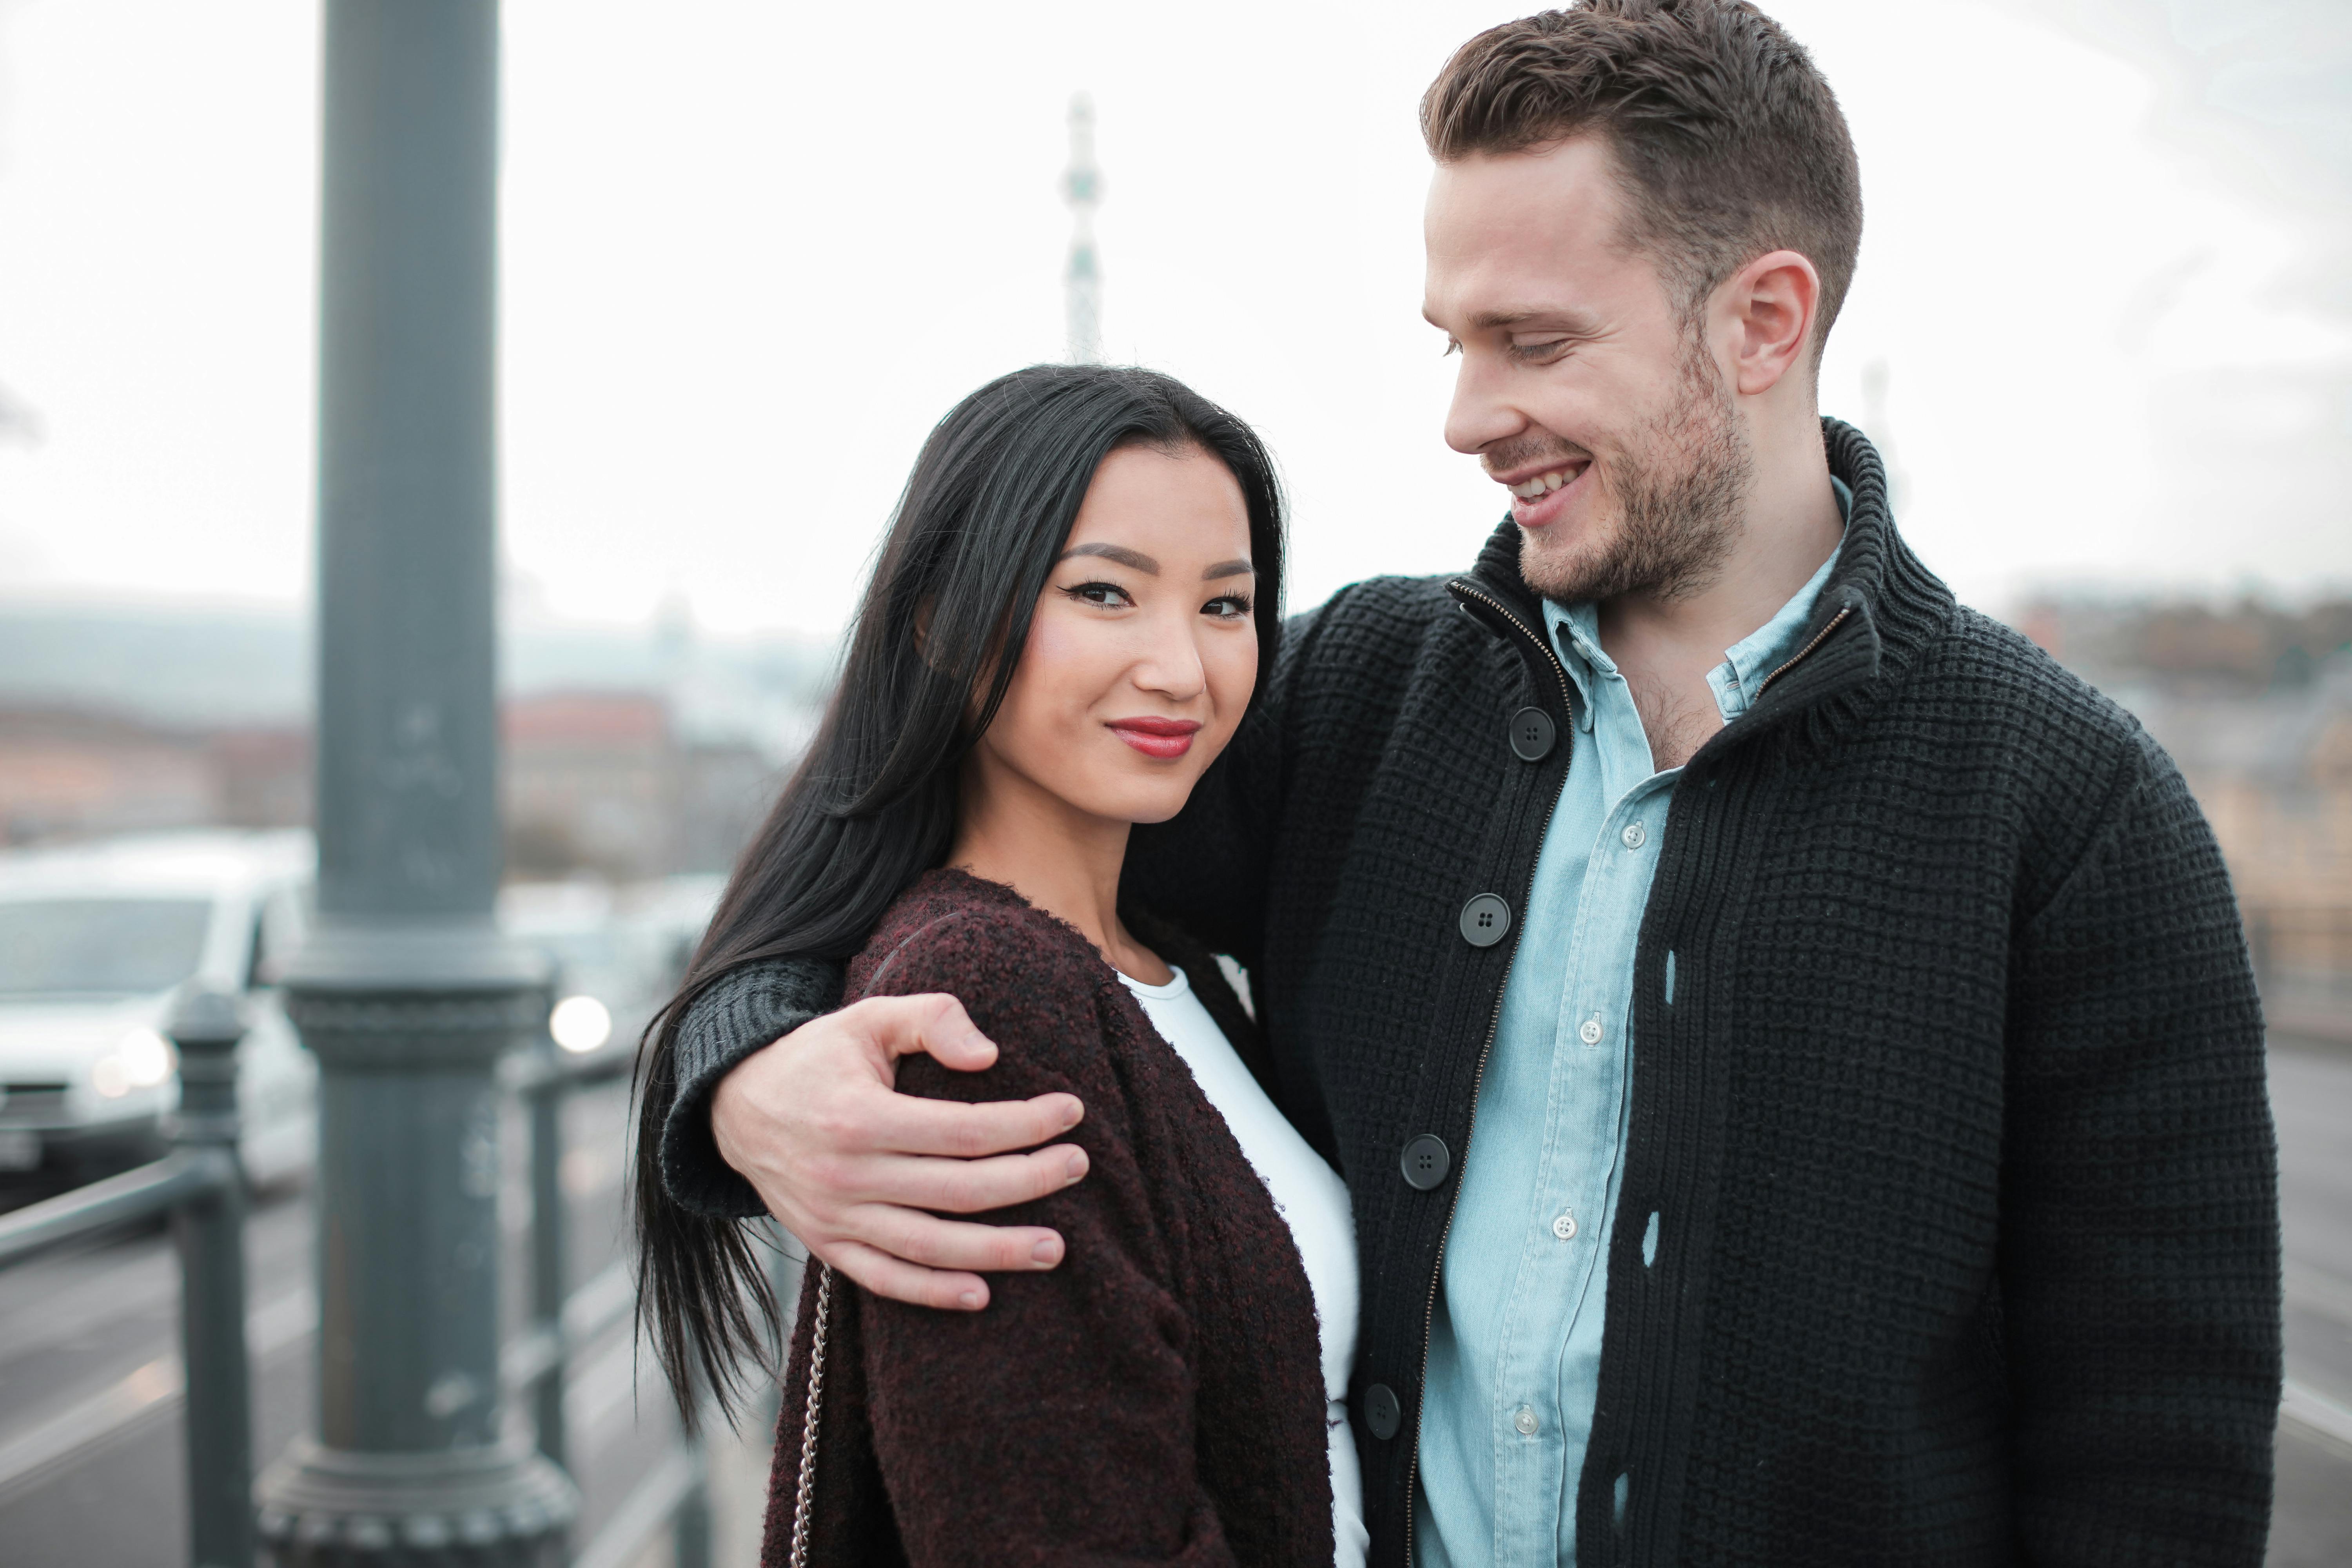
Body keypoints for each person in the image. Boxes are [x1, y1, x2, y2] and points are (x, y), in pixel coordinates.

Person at [657, 5, 2283, 1566]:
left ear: (1763, 322)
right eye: (1453, 341)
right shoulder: (1359, 699)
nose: (1465, 417)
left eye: (1534, 342)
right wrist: (737, 1084)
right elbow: (947, 822)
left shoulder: (2073, 815)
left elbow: (2159, 1461)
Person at [633, 363, 1369, 1566]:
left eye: (1225, 607)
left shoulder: (1171, 968)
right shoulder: (982, 1005)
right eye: (1105, 594)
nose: (1181, 667)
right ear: (941, 619)